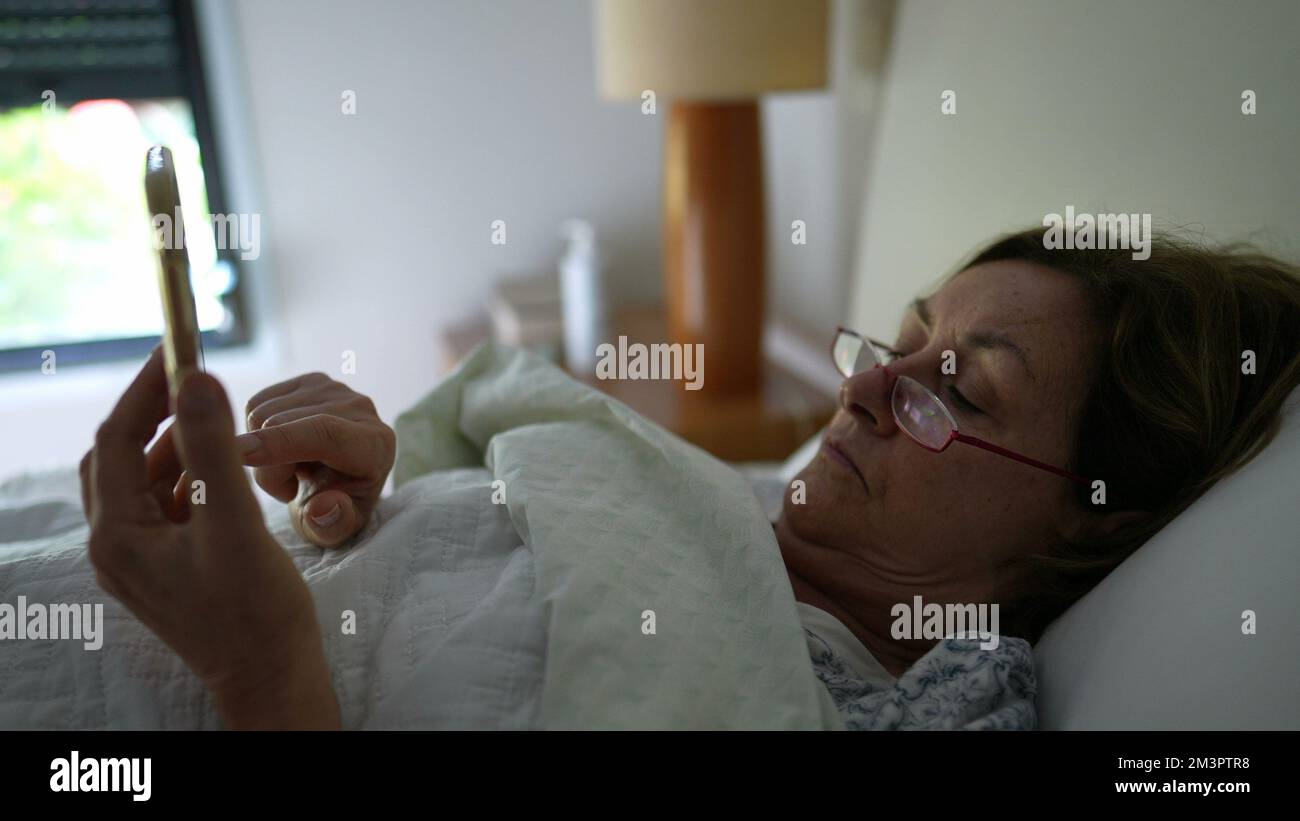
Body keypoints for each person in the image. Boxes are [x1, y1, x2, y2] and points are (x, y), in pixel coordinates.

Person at [79, 227, 1300, 728]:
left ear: (1088, 522)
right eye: (903, 337)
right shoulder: (704, 502)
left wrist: (261, 671)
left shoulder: (901, 706)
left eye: (960, 390)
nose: (866, 386)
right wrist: (373, 478)